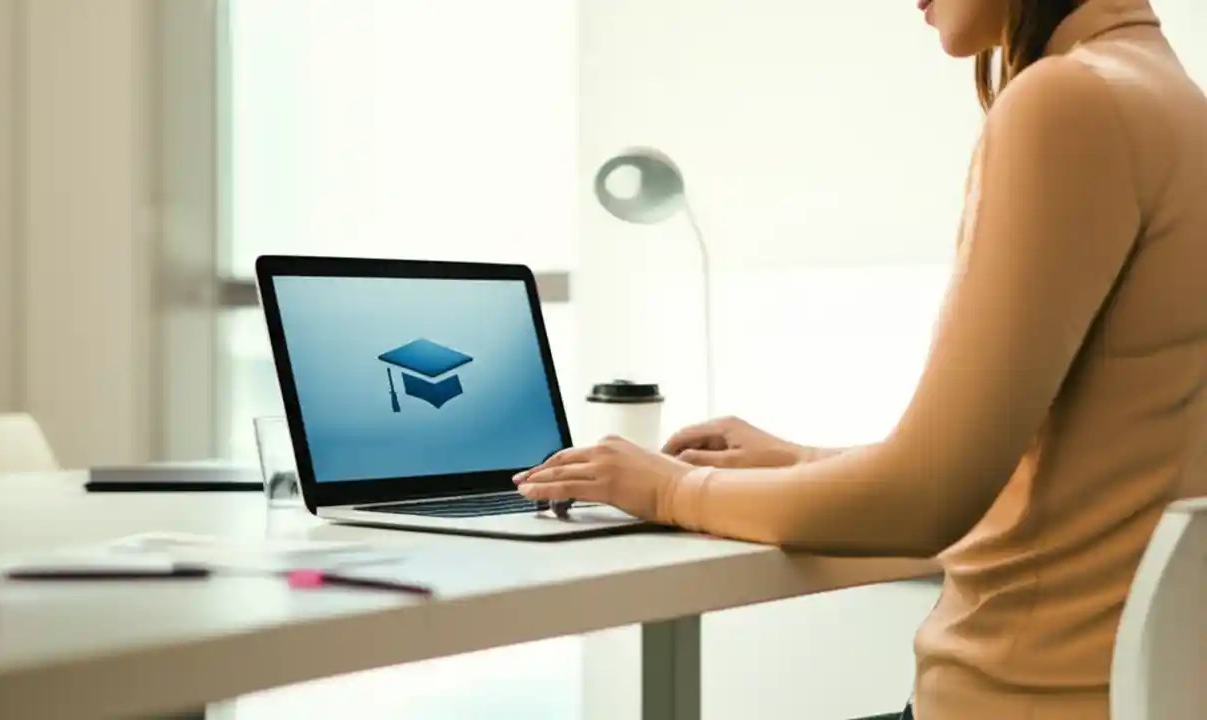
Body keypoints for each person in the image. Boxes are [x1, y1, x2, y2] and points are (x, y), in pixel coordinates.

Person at [515, 0, 1207, 717]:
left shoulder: (1068, 102)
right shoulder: (1175, 104)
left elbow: (927, 500)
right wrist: (805, 461)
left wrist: (666, 491)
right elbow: (1062, 467)